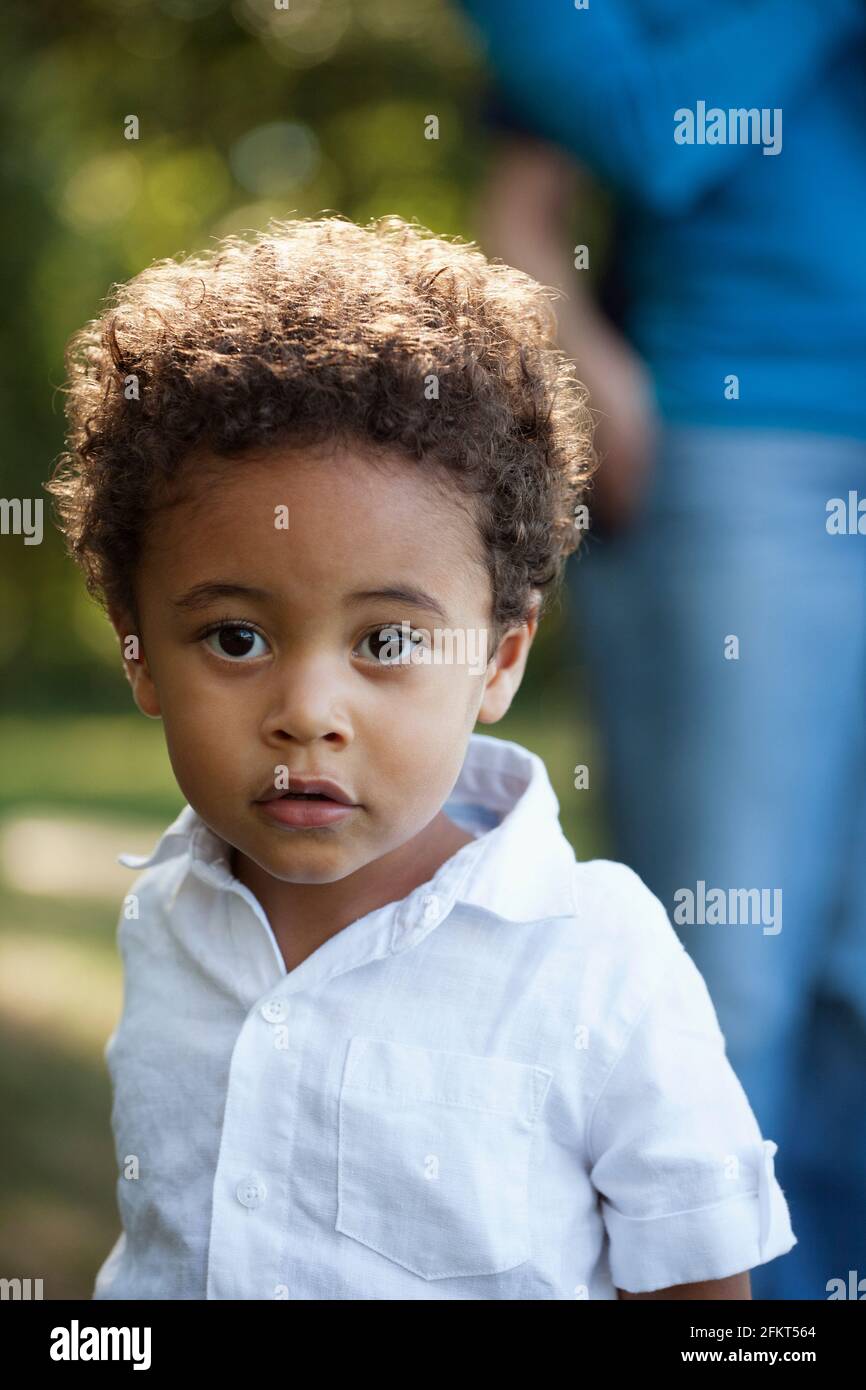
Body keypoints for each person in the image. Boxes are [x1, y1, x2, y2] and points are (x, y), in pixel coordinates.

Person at [45, 214, 795, 1300]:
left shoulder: (594, 962)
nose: (307, 712)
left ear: (496, 662)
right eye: (235, 638)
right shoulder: (167, 918)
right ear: (139, 652)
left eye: (386, 642)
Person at [456, 0, 866, 1300]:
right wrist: (584, 354)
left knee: (852, 983)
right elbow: (641, 146)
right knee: (724, 976)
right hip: (741, 445)